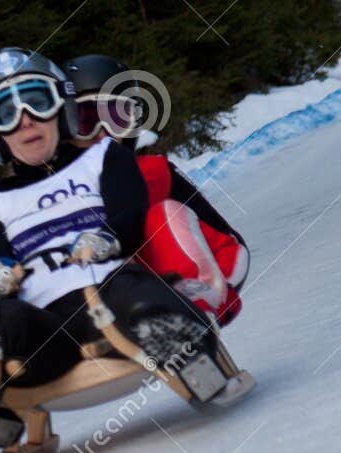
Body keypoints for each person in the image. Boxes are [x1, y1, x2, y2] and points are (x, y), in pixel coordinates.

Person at [0, 48, 214, 453]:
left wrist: (109, 237)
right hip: (45, 331)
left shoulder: (103, 159)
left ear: (62, 107)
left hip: (109, 288)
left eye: (37, 101)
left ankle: (179, 342)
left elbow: (129, 209)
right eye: (7, 111)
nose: (27, 120)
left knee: (128, 288)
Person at [64, 54, 249, 324]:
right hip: (97, 308)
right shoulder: (50, 194)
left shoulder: (152, 173)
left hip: (189, 284)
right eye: (86, 121)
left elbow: (231, 247)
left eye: (115, 117)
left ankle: (191, 311)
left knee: (163, 214)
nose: (102, 133)